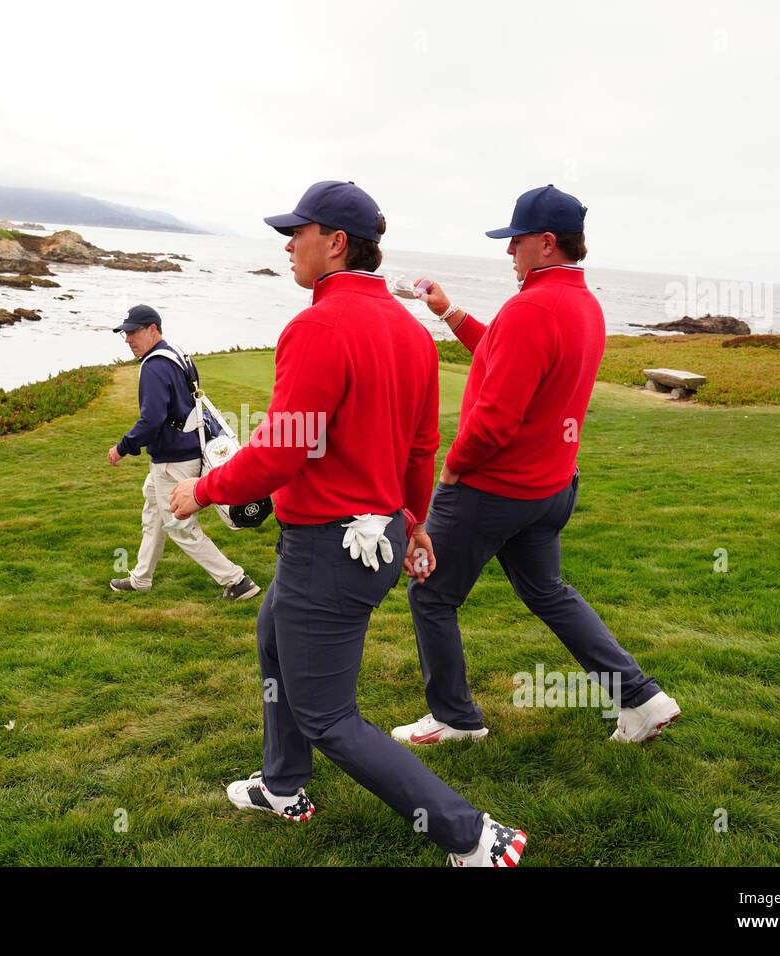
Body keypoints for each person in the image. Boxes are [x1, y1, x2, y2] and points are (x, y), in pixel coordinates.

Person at [170, 181, 527, 867]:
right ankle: (282, 785)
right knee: (273, 635)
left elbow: (283, 447)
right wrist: (413, 519)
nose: (287, 243)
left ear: (335, 244)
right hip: (379, 535)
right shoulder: (410, 332)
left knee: (327, 715)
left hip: (330, 549)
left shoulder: (316, 326)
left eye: (298, 232)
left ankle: (474, 837)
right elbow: (421, 449)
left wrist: (205, 490)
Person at [392, 184, 681, 748]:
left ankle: (455, 719)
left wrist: (451, 472)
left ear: (545, 243)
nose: (509, 252)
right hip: (551, 489)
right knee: (548, 592)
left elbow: (496, 417)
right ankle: (641, 698)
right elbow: (504, 353)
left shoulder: (531, 306)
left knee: (432, 594)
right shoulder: (583, 302)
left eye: (516, 241)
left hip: (494, 489)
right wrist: (448, 312)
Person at [107, 304, 258, 601]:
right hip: (187, 448)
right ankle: (141, 578)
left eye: (133, 332)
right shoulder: (177, 353)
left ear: (153, 330)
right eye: (125, 334)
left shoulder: (153, 366)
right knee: (153, 513)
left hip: (172, 460)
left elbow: (151, 421)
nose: (128, 340)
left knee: (180, 527)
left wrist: (122, 448)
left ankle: (236, 580)